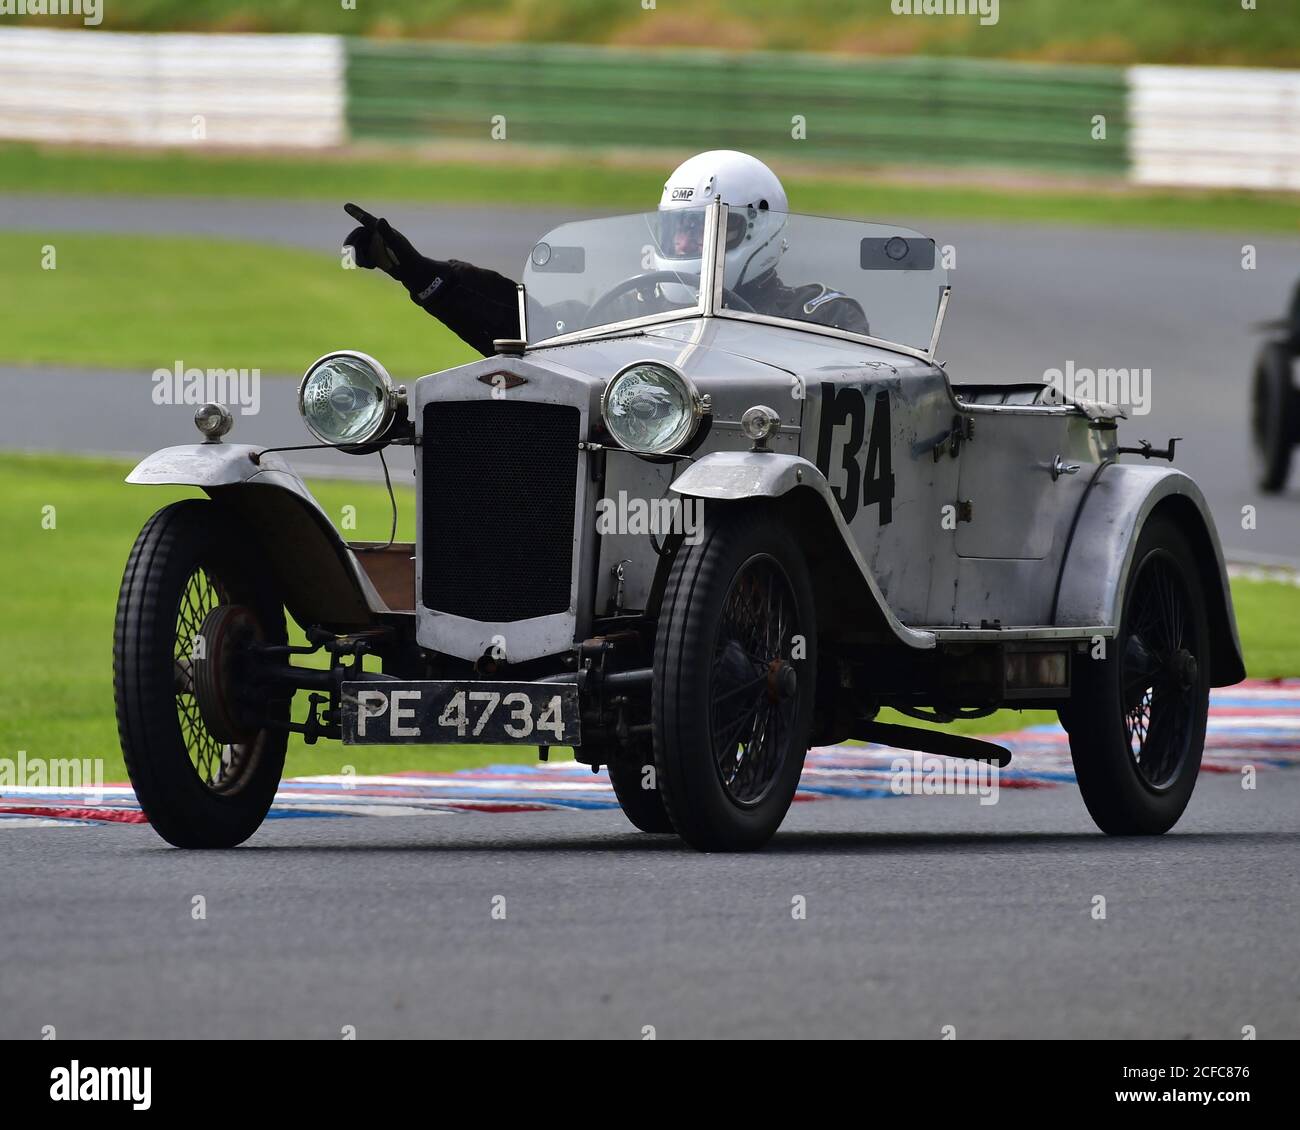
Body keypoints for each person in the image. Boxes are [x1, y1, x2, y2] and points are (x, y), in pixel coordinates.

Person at [342, 150, 868, 357]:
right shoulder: (628, 311)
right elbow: (529, 328)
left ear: (762, 229)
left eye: (704, 232)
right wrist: (424, 276)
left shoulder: (819, 315)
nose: (686, 247)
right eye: (678, 232)